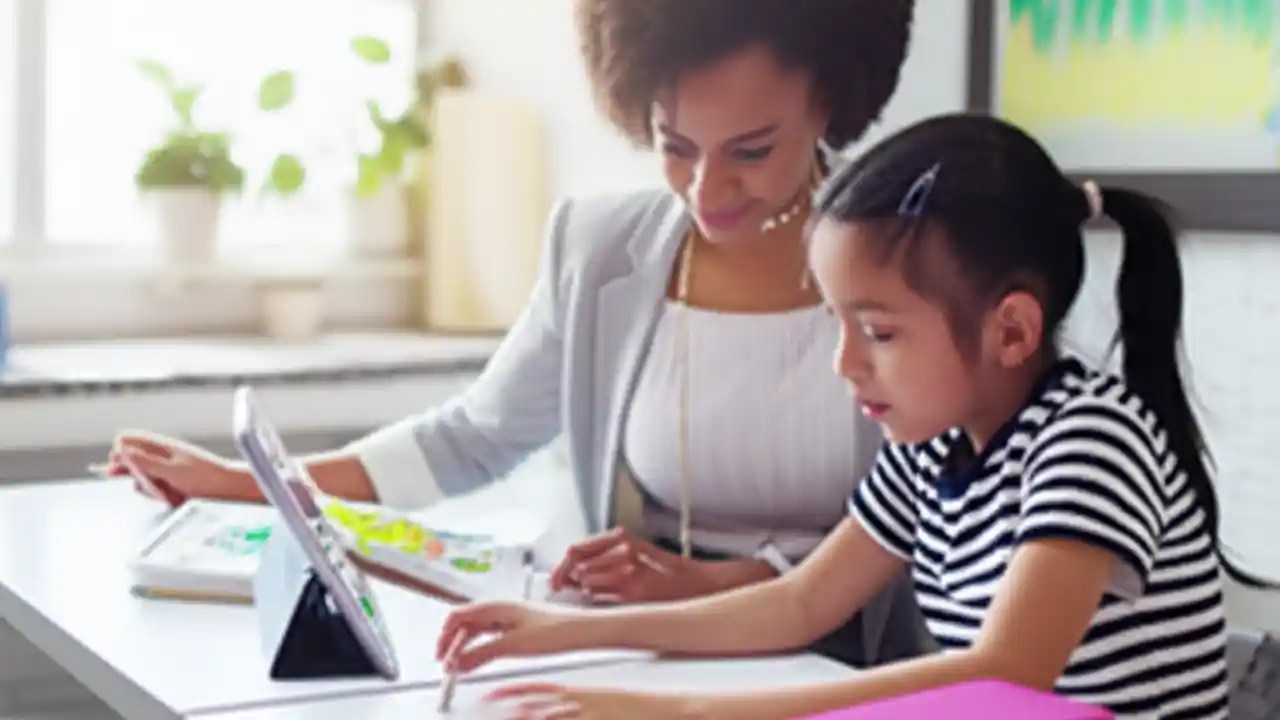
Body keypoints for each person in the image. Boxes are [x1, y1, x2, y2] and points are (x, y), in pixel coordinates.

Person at [101, 0, 927, 667]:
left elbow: (949, 517)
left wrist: (714, 582)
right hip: (640, 656)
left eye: (752, 150)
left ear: (830, 101)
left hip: (849, 665)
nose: (706, 192)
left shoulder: (917, 259)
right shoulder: (602, 251)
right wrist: (249, 483)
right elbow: (469, 438)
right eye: (675, 146)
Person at [432, 112, 1250, 720]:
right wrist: (556, 631)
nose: (845, 363)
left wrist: (680, 714)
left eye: (880, 332)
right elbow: (798, 605)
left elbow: (1007, 671)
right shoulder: (932, 449)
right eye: (838, 324)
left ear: (1011, 330)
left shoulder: (1088, 439)